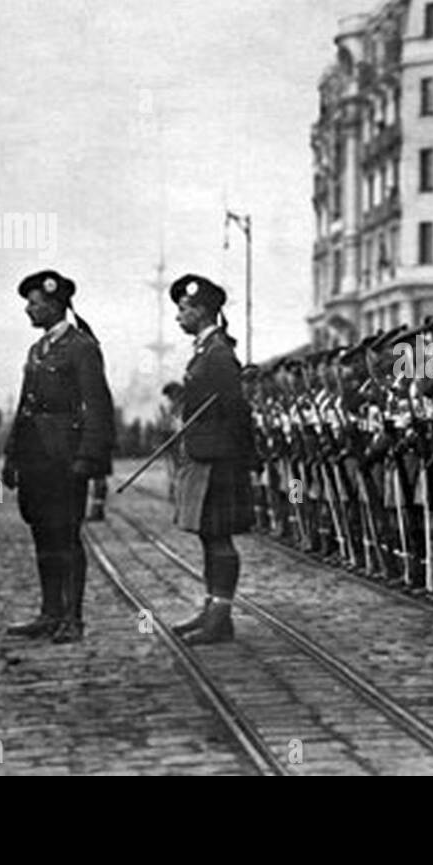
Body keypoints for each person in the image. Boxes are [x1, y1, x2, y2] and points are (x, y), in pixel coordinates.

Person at [3, 270, 115, 644]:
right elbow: (24, 407)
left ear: (54, 304)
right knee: (41, 533)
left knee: (66, 536)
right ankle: (49, 612)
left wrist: (88, 457)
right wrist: (11, 456)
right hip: (35, 457)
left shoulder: (81, 347)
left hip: (65, 458)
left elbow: (97, 405)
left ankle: (73, 618)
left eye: (34, 303)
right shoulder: (37, 350)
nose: (28, 310)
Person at [168, 273, 256, 645]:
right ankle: (211, 609)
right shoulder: (207, 351)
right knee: (208, 536)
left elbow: (236, 411)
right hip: (206, 454)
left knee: (218, 538)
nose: (178, 317)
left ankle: (220, 617)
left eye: (183, 309)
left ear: (202, 311)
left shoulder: (218, 354)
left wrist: (237, 456)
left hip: (218, 459)